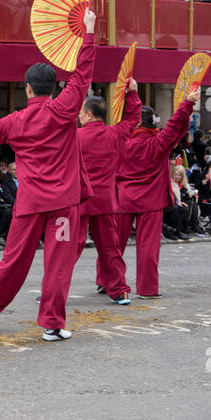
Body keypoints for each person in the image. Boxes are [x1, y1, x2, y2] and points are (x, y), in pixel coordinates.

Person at [0, 8, 97, 341]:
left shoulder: (15, 121)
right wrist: (89, 32)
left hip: (29, 200)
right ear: (53, 88)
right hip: (64, 202)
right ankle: (52, 323)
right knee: (58, 264)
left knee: (14, 258)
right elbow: (83, 74)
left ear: (26, 89)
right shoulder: (65, 109)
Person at [114, 91, 197, 296]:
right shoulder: (158, 142)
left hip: (123, 197)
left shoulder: (119, 141)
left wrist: (132, 93)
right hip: (151, 200)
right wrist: (187, 104)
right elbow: (175, 126)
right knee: (148, 247)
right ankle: (147, 288)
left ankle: (107, 281)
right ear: (152, 124)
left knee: (114, 244)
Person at [75, 81, 142, 304]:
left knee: (68, 249)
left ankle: (53, 289)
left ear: (88, 115)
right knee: (110, 248)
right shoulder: (115, 134)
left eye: (81, 113)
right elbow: (133, 118)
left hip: (79, 198)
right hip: (105, 199)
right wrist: (132, 93)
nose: (79, 117)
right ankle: (119, 290)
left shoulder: (74, 137)